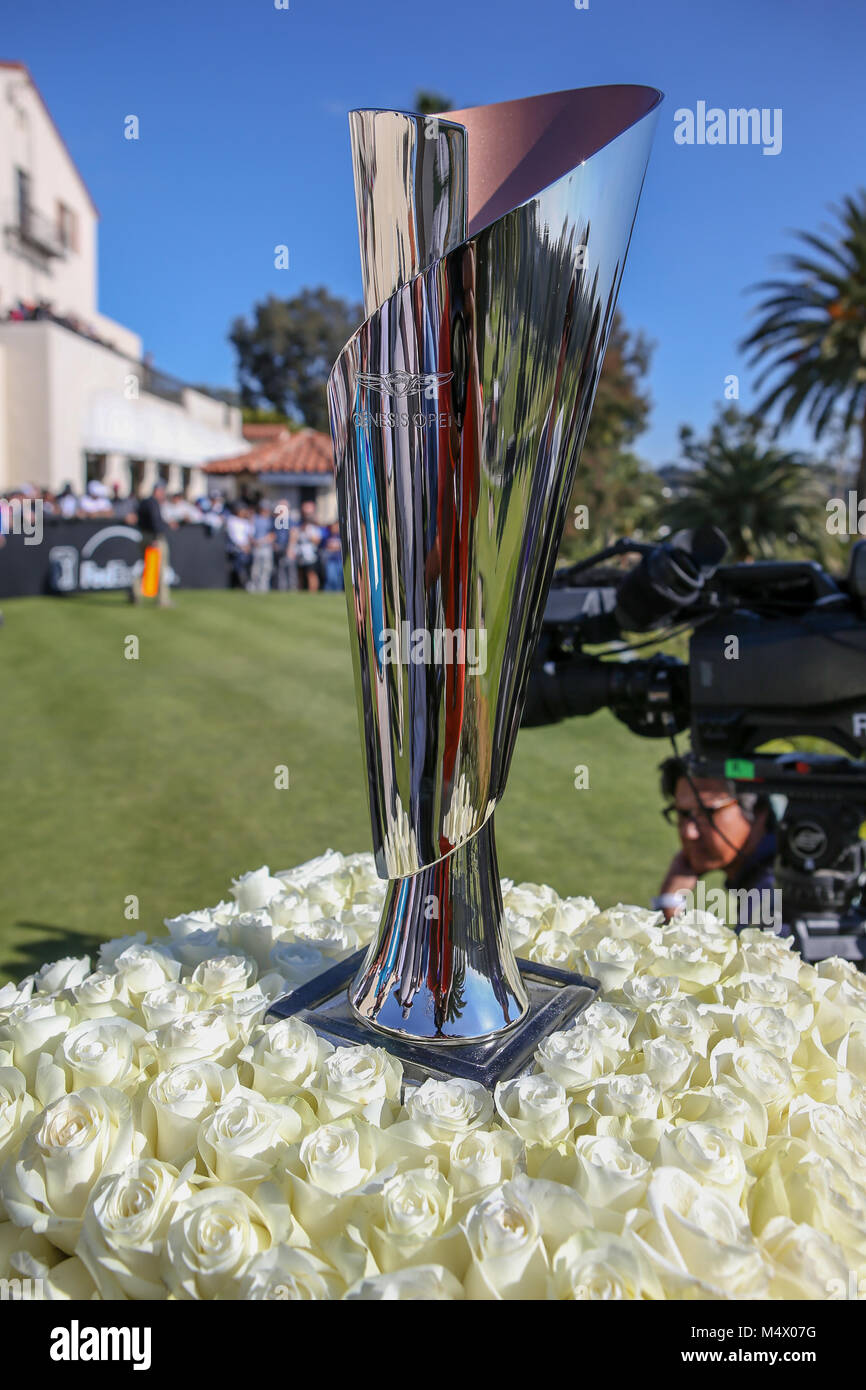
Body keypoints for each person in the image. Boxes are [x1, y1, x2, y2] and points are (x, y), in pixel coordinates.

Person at [655, 755, 780, 931]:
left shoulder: (774, 892)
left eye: (707, 813)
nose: (689, 833)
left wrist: (670, 908)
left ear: (759, 812)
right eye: (683, 814)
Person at [130, 483, 173, 607]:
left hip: (144, 536)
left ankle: (135, 592)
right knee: (160, 569)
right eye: (162, 491)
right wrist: (155, 537)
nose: (163, 494)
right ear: (158, 491)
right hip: (154, 538)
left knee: (147, 567)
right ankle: (162, 599)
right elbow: (154, 521)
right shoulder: (153, 503)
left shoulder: (144, 501)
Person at [294, 501, 323, 592]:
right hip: (300, 552)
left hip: (311, 554)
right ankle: (301, 590)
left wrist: (308, 535)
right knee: (300, 573)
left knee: (311, 573)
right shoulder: (299, 525)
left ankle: (313, 592)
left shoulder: (314, 526)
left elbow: (317, 540)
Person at [225, 502, 253, 589]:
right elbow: (234, 536)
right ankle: (240, 585)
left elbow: (249, 535)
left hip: (246, 548)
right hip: (236, 548)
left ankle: (246, 583)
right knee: (238, 567)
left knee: (247, 565)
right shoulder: (232, 520)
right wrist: (242, 546)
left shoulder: (246, 521)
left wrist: (248, 546)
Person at [250, 501, 275, 592]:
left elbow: (273, 535)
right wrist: (254, 541)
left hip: (266, 547)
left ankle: (263, 586)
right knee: (255, 568)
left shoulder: (271, 520)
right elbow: (250, 533)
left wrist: (262, 541)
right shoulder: (254, 518)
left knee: (266, 568)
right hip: (257, 547)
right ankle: (254, 585)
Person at [322, 522, 344, 591]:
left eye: (336, 526)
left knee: (338, 578)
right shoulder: (327, 536)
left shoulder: (342, 536)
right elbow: (324, 547)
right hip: (331, 560)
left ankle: (338, 591)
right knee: (331, 577)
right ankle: (329, 591)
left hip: (340, 560)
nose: (334, 528)